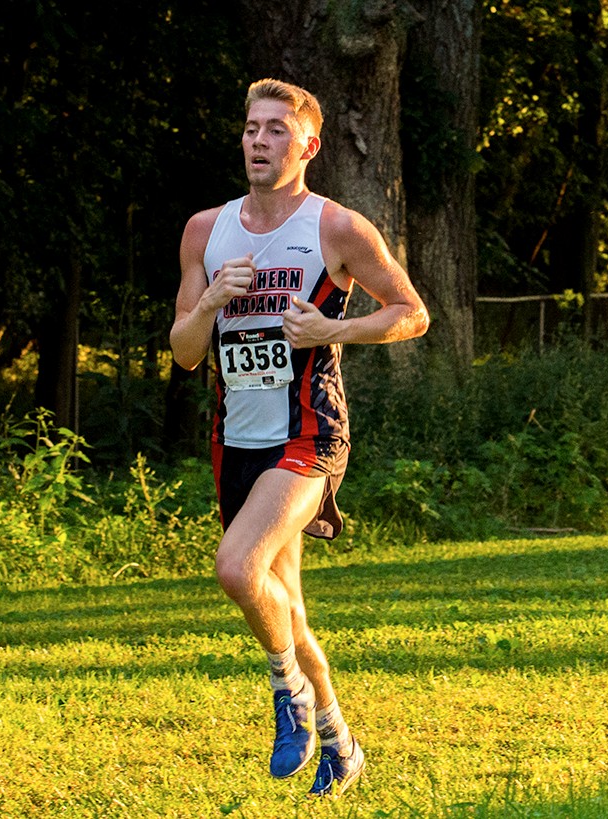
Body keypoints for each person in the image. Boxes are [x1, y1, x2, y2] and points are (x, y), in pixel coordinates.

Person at [169, 78, 429, 797]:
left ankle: (289, 694)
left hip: (310, 430)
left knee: (233, 566)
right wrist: (214, 299)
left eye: (277, 129)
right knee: (286, 605)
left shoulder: (337, 228)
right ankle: (341, 742)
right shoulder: (204, 230)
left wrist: (334, 329)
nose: (259, 140)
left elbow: (413, 312)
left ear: (308, 145)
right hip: (237, 438)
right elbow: (186, 350)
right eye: (252, 127)